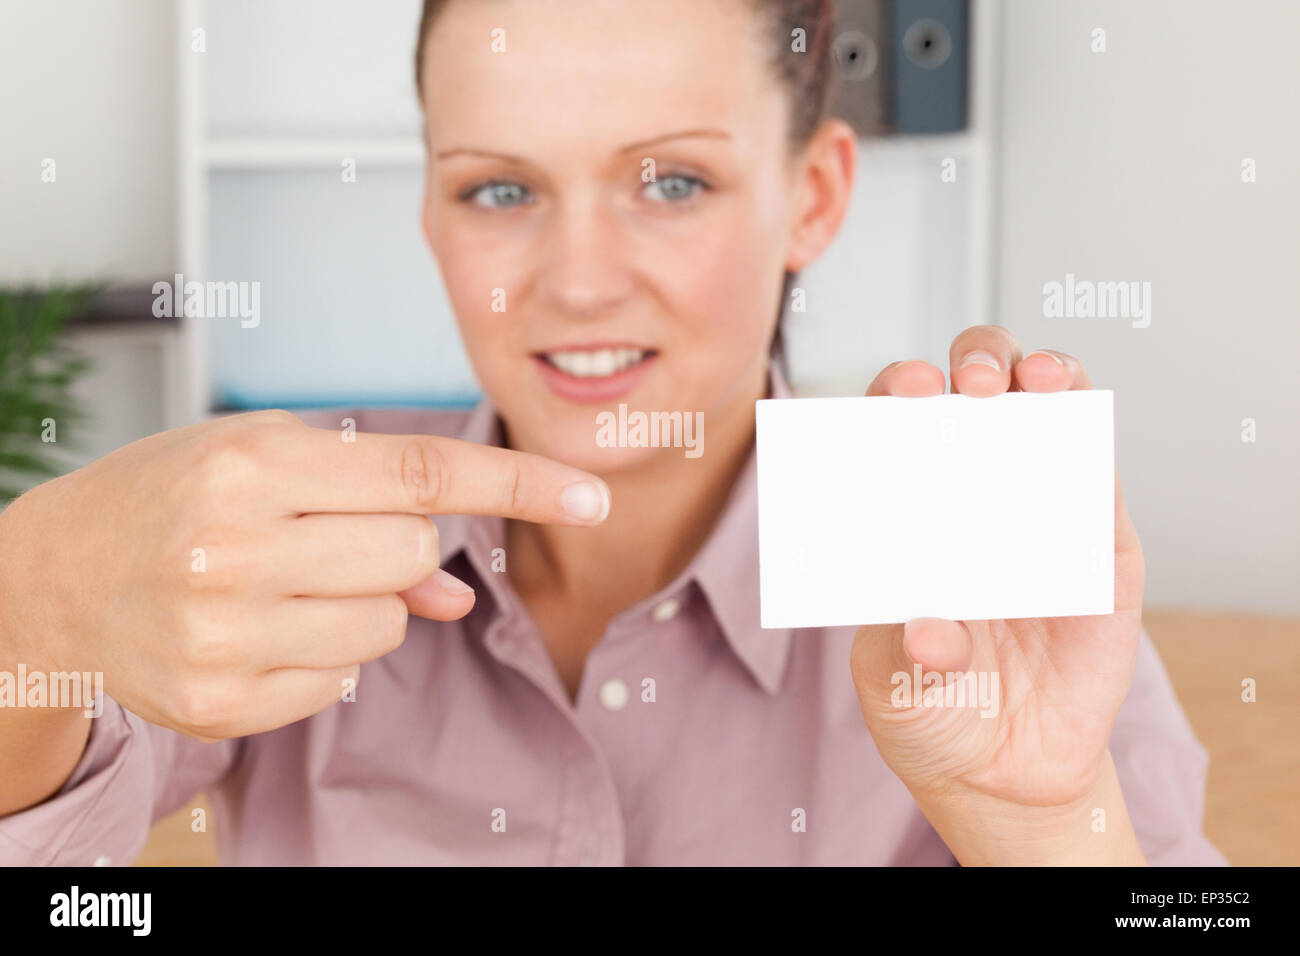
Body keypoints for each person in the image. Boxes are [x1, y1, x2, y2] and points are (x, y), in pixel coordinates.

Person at [0, 0, 1223, 865]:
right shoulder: (279, 517)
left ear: (814, 196)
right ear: (431, 212)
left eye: (670, 181)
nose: (577, 282)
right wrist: (26, 605)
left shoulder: (983, 584)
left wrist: (1050, 834)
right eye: (500, 188)